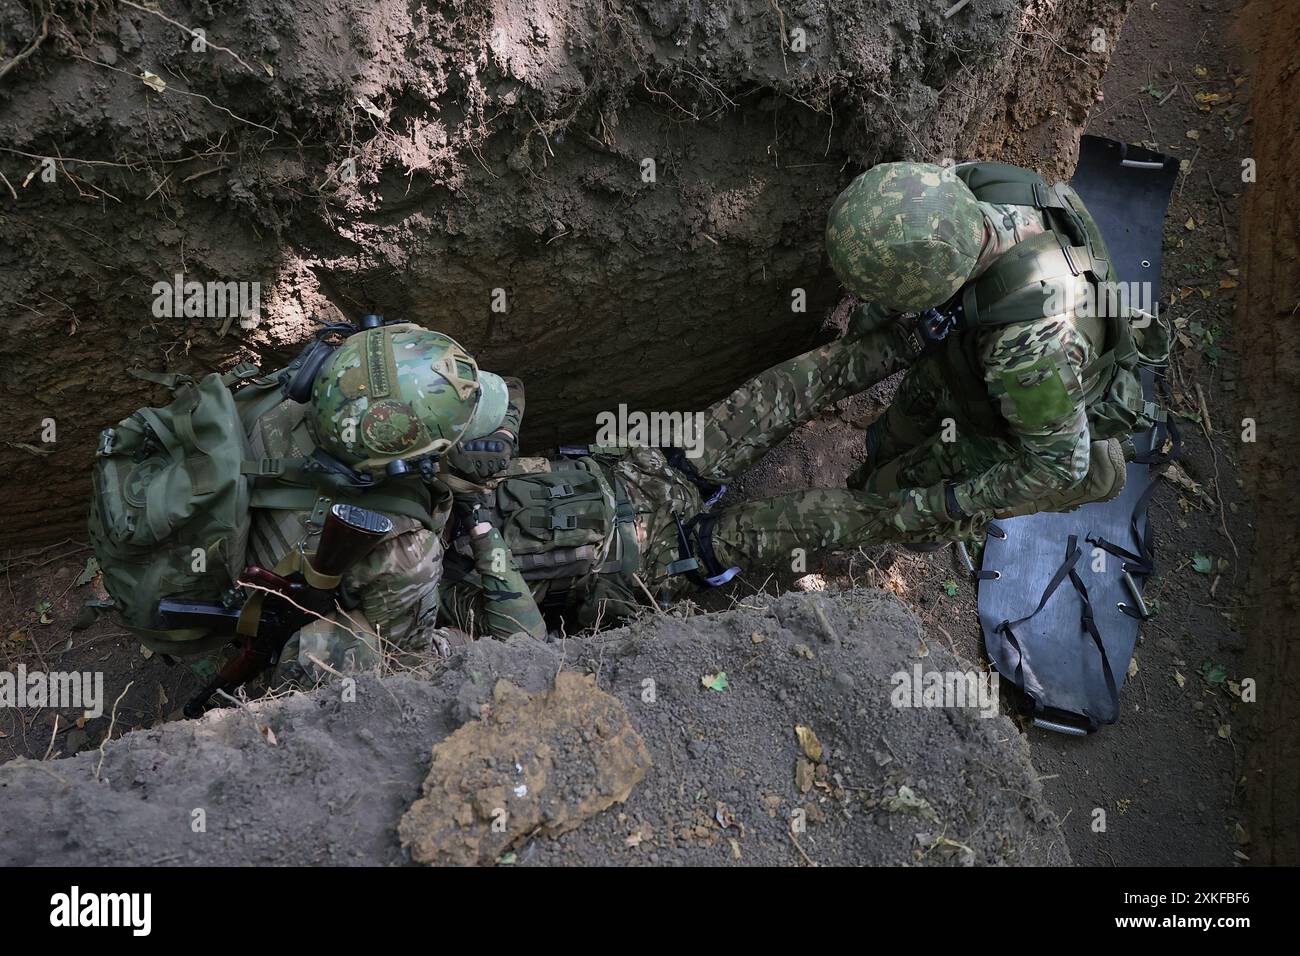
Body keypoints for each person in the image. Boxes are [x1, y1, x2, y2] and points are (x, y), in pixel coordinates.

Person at [436, 160, 1166, 637]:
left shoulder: (1027, 345)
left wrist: (941, 507)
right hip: (965, 353)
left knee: (893, 504)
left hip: (1026, 434)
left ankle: (711, 541)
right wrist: (897, 343)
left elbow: (1059, 465)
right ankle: (700, 511)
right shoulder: (958, 192)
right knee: (839, 435)